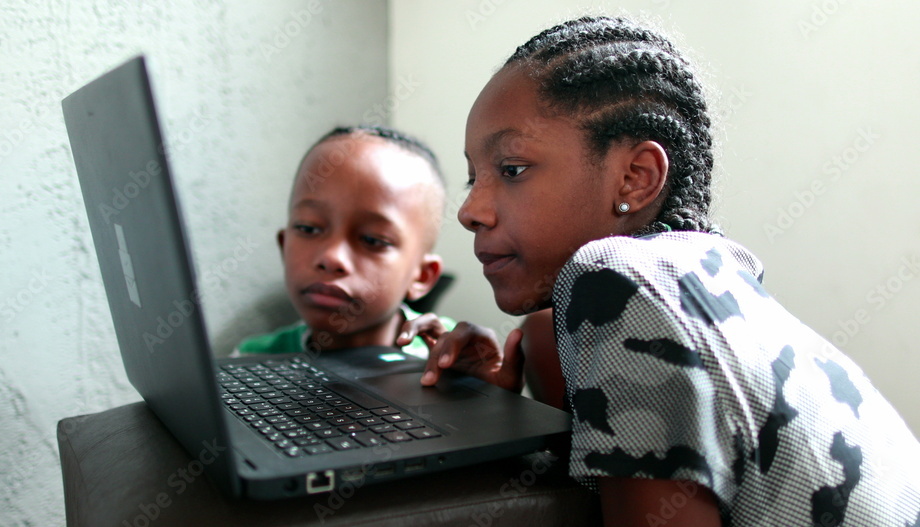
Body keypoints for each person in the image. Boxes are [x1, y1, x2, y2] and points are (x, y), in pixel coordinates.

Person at [400, 15, 920, 526]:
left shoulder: (620, 278)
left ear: (635, 177)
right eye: (473, 177)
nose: (470, 211)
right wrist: (504, 411)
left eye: (512, 170)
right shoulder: (695, 278)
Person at [235, 125, 453, 358]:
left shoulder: (455, 352)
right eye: (308, 228)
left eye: (372, 240)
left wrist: (467, 373)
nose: (332, 258)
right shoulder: (252, 359)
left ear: (422, 276)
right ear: (283, 246)